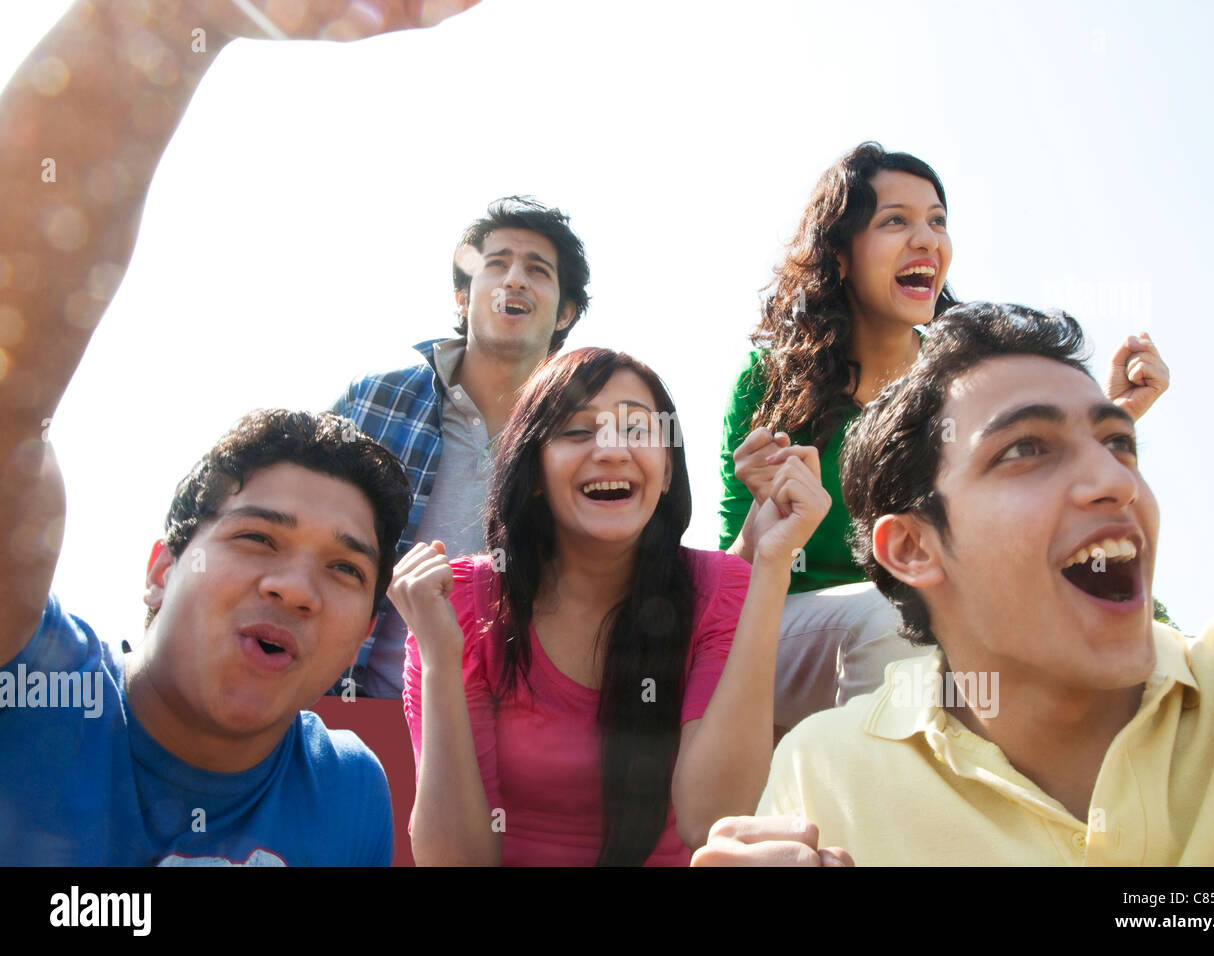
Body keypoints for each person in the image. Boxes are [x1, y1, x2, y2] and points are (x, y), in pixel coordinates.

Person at [0, 0, 477, 865]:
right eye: (257, 537)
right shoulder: (28, 678)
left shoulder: (347, 791)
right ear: (159, 569)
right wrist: (172, 16)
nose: (296, 589)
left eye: (345, 569)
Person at [694, 303, 1214, 866]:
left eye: (1118, 442)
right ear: (912, 547)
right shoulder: (825, 774)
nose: (1116, 482)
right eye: (1026, 449)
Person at [720, 142, 1170, 731]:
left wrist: (1103, 422)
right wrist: (764, 516)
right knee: (895, 622)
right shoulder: (771, 384)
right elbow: (731, 583)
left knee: (1155, 643)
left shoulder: (964, 383)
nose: (927, 239)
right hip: (789, 631)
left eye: (938, 221)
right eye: (895, 221)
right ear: (840, 254)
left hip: (934, 622)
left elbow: (1030, 509)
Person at [395, 348, 831, 865]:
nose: (611, 450)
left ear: (667, 472)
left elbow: (710, 823)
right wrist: (442, 660)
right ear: (533, 472)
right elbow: (455, 861)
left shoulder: (719, 589)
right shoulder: (461, 603)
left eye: (638, 431)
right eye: (577, 431)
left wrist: (774, 566)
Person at [333, 196, 592, 698]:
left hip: (504, 729)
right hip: (349, 707)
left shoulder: (584, 442)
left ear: (565, 312)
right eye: (496, 264)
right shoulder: (375, 399)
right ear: (462, 297)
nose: (514, 279)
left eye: (537, 270)